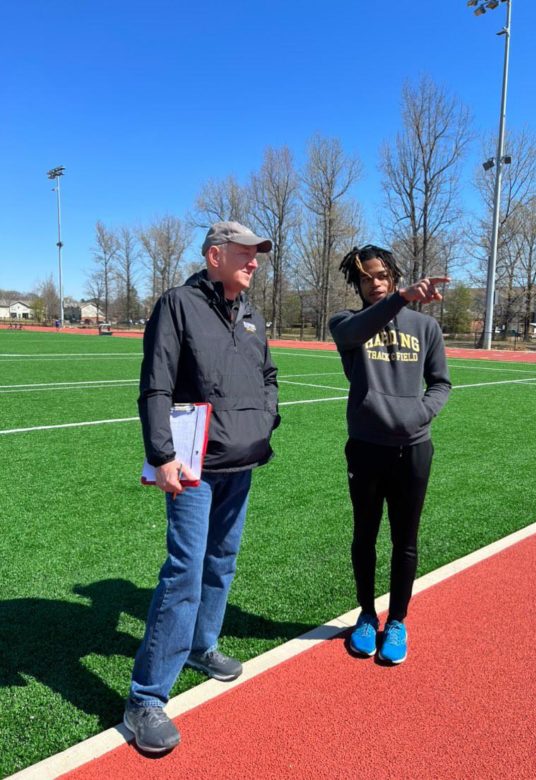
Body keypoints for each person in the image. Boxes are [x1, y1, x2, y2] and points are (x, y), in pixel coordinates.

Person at [124, 221, 280, 753]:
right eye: (245, 253)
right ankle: (145, 698)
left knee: (222, 560)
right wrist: (161, 455)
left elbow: (268, 375)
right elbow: (156, 383)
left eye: (256, 254)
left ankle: (200, 645)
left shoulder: (253, 315)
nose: (254, 262)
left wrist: (265, 420)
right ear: (215, 255)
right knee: (185, 571)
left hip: (242, 461)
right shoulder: (178, 304)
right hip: (193, 468)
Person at [328, 244, 451, 665]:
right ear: (357, 283)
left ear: (393, 275)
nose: (375, 283)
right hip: (366, 448)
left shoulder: (425, 327)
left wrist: (420, 413)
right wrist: (401, 298)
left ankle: (397, 620)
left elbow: (441, 383)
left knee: (405, 541)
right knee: (364, 536)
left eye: (382, 275)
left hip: (414, 449)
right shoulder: (345, 323)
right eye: (366, 278)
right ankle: (366, 615)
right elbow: (355, 331)